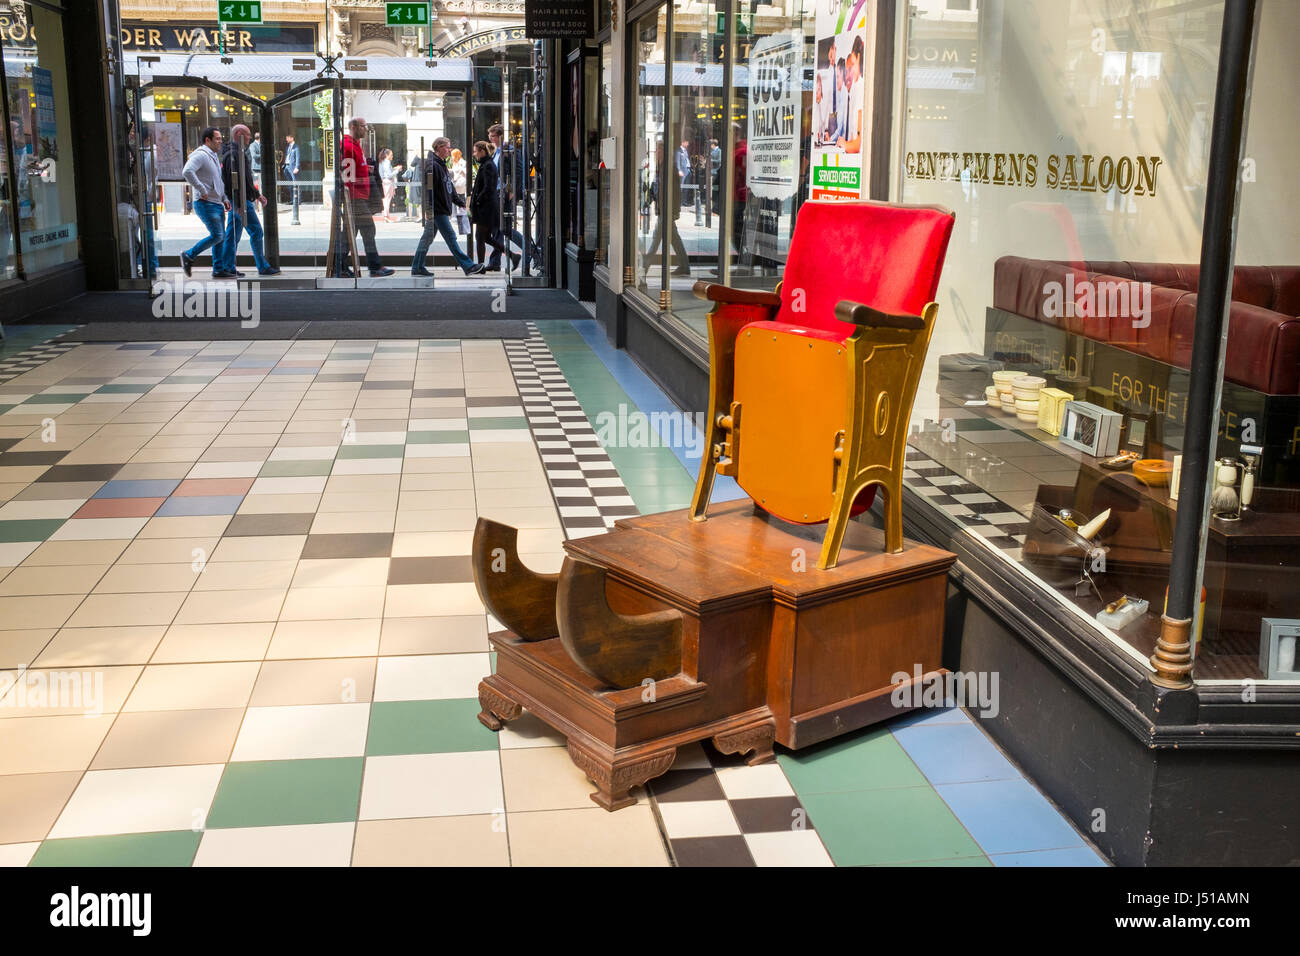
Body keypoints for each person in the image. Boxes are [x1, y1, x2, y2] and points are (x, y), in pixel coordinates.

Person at [411, 136, 486, 277]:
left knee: (426, 239)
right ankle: (468, 266)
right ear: (439, 147)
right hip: (437, 210)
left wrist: (460, 202)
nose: (449, 149)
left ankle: (417, 267)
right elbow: (429, 190)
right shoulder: (432, 166)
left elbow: (448, 188)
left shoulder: (440, 164)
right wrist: (429, 209)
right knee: (450, 236)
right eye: (447, 146)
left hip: (438, 209)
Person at [334, 116, 393, 278]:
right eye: (362, 126)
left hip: (358, 196)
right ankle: (374, 267)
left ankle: (339, 267)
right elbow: (347, 176)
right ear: (353, 127)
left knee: (349, 233)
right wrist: (363, 177)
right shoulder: (347, 147)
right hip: (355, 197)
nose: (365, 129)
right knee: (368, 230)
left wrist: (365, 170)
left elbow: (352, 170)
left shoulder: (355, 146)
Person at [218, 124, 279, 277]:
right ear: (239, 134)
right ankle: (262, 266)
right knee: (256, 232)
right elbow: (236, 182)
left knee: (233, 234)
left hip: (238, 200)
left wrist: (257, 194)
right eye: (248, 134)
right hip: (240, 201)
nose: (250, 138)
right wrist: (240, 203)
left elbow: (243, 179)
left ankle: (228, 266)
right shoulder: (234, 154)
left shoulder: (234, 153)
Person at [180, 126, 234, 278]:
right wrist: (201, 189)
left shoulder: (213, 156)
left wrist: (224, 198)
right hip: (205, 203)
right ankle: (189, 255)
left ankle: (218, 269)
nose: (220, 141)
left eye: (220, 139)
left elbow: (217, 180)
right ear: (207, 140)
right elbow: (187, 171)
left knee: (220, 237)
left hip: (216, 203)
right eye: (217, 139)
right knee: (217, 235)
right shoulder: (201, 155)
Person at [487, 123, 539, 274]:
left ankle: (535, 253)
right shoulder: (496, 151)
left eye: (493, 136)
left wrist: (513, 191)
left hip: (504, 195)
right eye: (490, 136)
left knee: (506, 229)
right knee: (498, 229)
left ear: (500, 136)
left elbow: (519, 171)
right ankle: (495, 262)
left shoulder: (509, 151)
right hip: (496, 194)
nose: (491, 139)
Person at [645, 138, 690, 277]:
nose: (656, 152)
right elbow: (656, 188)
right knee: (674, 238)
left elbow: (675, 191)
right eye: (656, 149)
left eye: (659, 149)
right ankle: (684, 266)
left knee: (656, 239)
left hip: (667, 210)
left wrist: (674, 211)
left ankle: (643, 268)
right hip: (663, 210)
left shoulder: (670, 167)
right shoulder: (660, 167)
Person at [468, 140, 511, 271]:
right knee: (485, 237)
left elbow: (488, 188)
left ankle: (480, 266)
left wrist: (477, 201)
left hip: (485, 208)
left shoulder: (488, 165)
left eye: (475, 151)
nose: (474, 154)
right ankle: (512, 255)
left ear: (482, 151)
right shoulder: (486, 164)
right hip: (486, 207)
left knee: (480, 237)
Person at [836, 38, 865, 154]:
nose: (851, 73)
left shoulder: (862, 88)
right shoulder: (855, 90)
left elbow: (858, 144)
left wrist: (845, 144)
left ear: (859, 59)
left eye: (853, 65)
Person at [449, 147, 470, 236]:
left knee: (461, 199)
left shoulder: (462, 163)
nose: (452, 157)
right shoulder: (454, 162)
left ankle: (463, 216)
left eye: (453, 155)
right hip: (455, 183)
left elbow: (467, 173)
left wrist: (461, 170)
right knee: (453, 199)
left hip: (460, 184)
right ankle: (454, 216)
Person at [378, 148, 401, 222]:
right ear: (387, 155)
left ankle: (386, 216)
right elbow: (389, 175)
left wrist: (394, 169)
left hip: (385, 182)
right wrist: (397, 170)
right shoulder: (387, 163)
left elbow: (383, 173)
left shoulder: (382, 162)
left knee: (386, 199)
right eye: (391, 155)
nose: (392, 156)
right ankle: (386, 216)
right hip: (388, 182)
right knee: (387, 200)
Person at [283, 133, 300, 225]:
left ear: (292, 138)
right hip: (287, 167)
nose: (286, 139)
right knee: (290, 184)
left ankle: (297, 200)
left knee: (295, 183)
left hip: (293, 167)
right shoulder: (288, 147)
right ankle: (292, 199)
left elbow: (298, 157)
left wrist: (297, 167)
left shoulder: (296, 147)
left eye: (287, 138)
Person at [675, 137, 691, 207]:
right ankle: (679, 202)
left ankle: (684, 201)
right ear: (683, 142)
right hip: (682, 171)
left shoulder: (685, 150)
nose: (688, 144)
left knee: (686, 187)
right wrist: (679, 170)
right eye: (687, 142)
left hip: (687, 170)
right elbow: (677, 161)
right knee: (681, 187)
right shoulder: (678, 151)